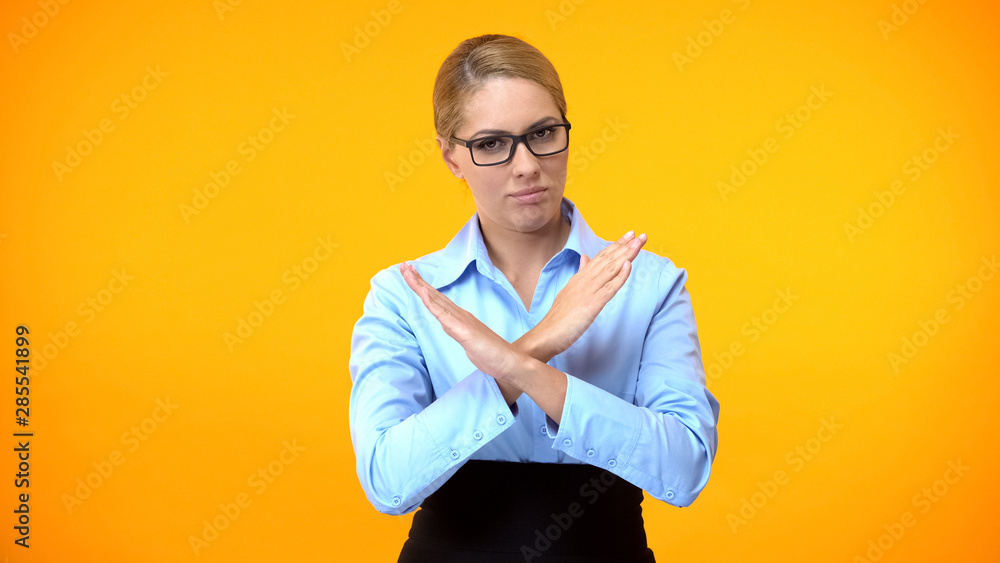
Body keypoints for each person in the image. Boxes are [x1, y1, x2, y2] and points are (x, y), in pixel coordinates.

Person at [349, 34, 720, 562]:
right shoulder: (406, 296)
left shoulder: (649, 283)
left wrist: (520, 366)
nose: (526, 166)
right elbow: (387, 484)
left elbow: (684, 472)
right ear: (451, 156)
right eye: (492, 144)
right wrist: (545, 340)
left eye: (543, 133)